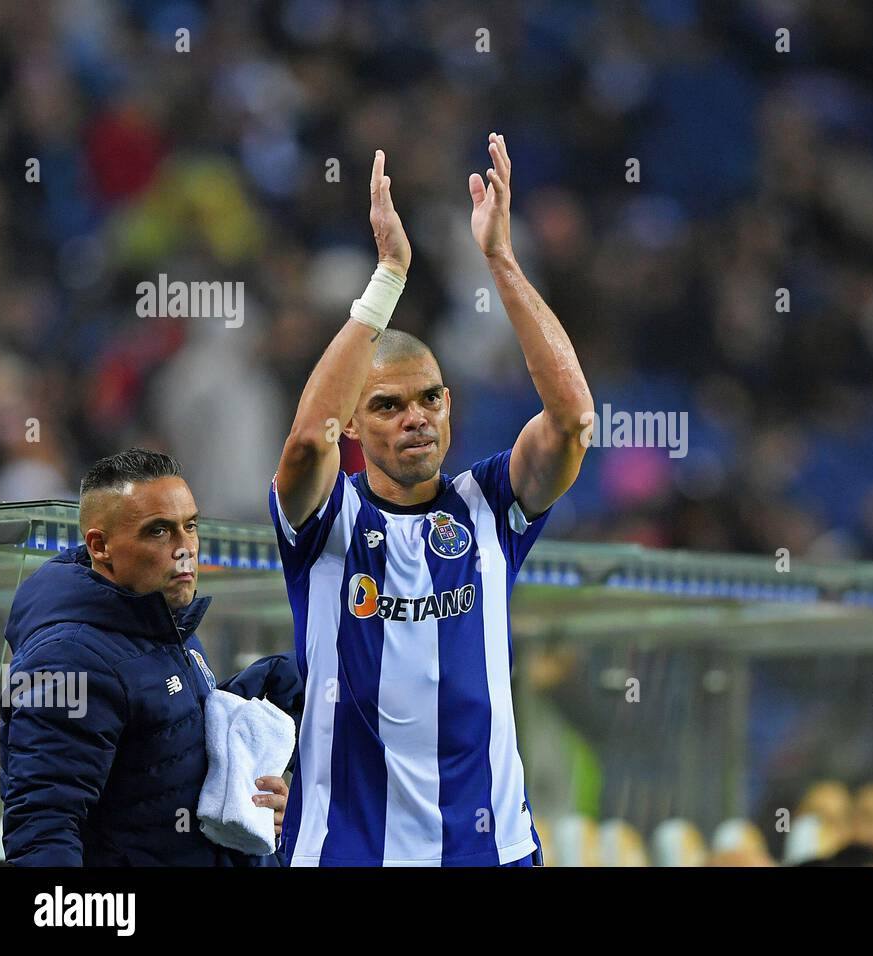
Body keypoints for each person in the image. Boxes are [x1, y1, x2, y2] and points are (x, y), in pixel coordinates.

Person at [270, 134, 593, 866]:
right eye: (387, 405)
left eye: (431, 399)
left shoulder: (489, 506)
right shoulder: (326, 521)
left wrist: (501, 261)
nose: (416, 416)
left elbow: (573, 420)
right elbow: (305, 445)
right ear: (354, 423)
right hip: (349, 853)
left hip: (492, 853)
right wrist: (387, 279)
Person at [0, 448, 302, 866]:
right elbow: (42, 828)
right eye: (159, 532)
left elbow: (163, 765)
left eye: (190, 526)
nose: (185, 549)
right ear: (100, 545)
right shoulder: (67, 659)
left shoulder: (164, 625)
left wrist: (253, 803)